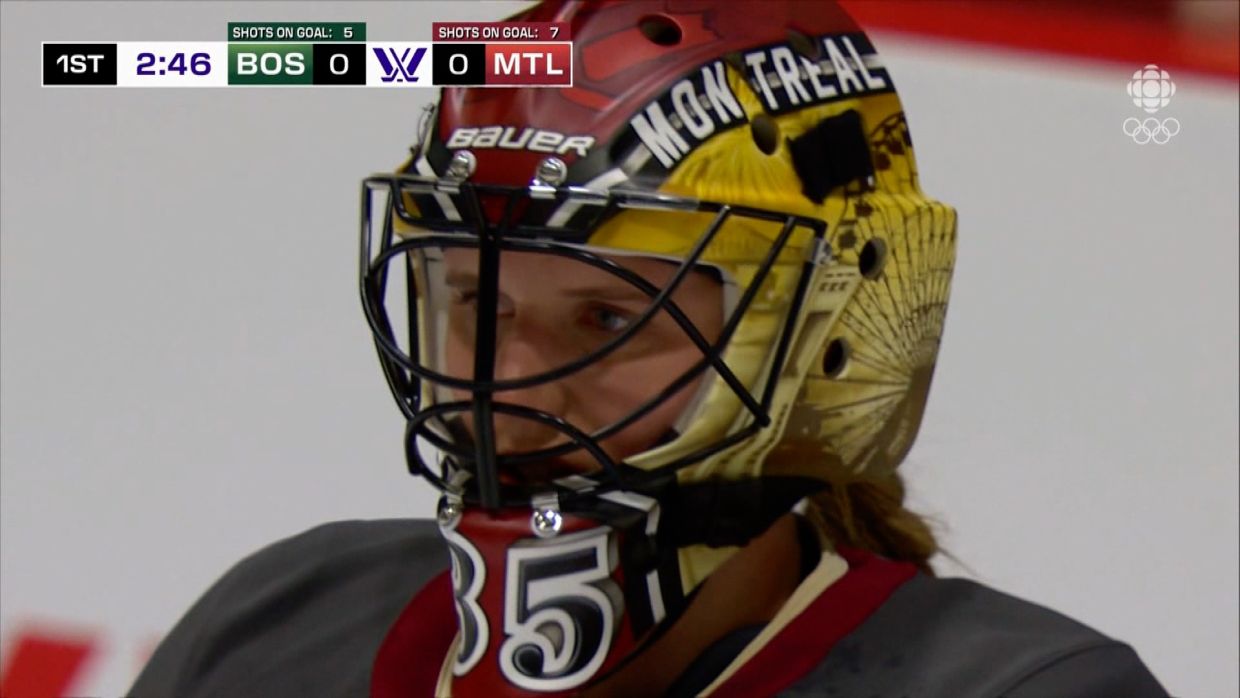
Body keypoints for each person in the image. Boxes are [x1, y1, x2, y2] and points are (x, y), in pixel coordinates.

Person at [131, 1, 1170, 696]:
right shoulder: (275, 623)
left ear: (823, 337)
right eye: (473, 304)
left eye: (607, 317)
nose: (509, 392)